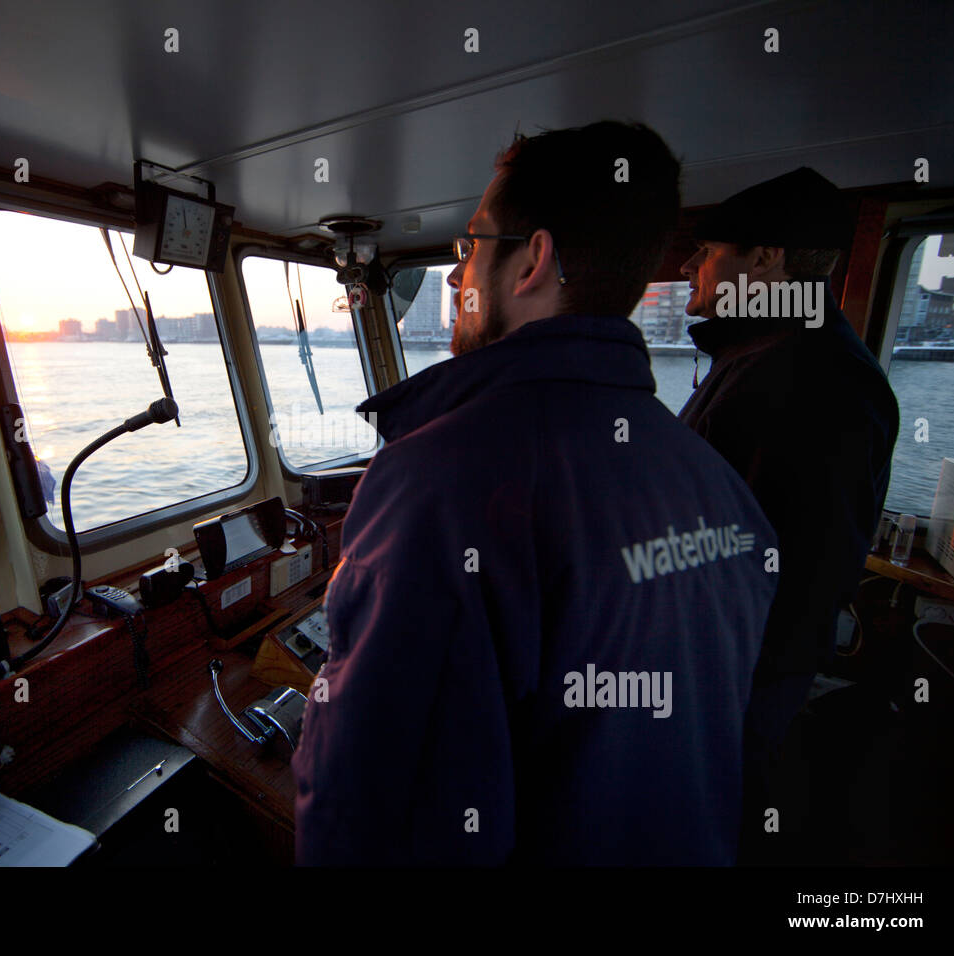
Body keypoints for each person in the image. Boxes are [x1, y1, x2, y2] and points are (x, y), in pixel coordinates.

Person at [292, 121, 778, 865]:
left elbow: (370, 804)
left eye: (473, 245)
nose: (457, 279)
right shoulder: (715, 483)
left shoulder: (439, 483)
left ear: (533, 262)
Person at [678, 167, 900, 859]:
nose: (688, 265)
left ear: (767, 258)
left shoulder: (814, 375)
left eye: (707, 249)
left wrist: (701, 673)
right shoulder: (765, 353)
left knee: (714, 816)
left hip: (737, 673)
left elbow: (802, 567)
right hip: (729, 661)